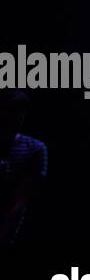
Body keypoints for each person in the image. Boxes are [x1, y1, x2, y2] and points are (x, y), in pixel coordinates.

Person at [1, 90, 47, 245]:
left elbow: (21, 201)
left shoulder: (34, 148)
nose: (15, 118)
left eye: (20, 112)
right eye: (9, 111)